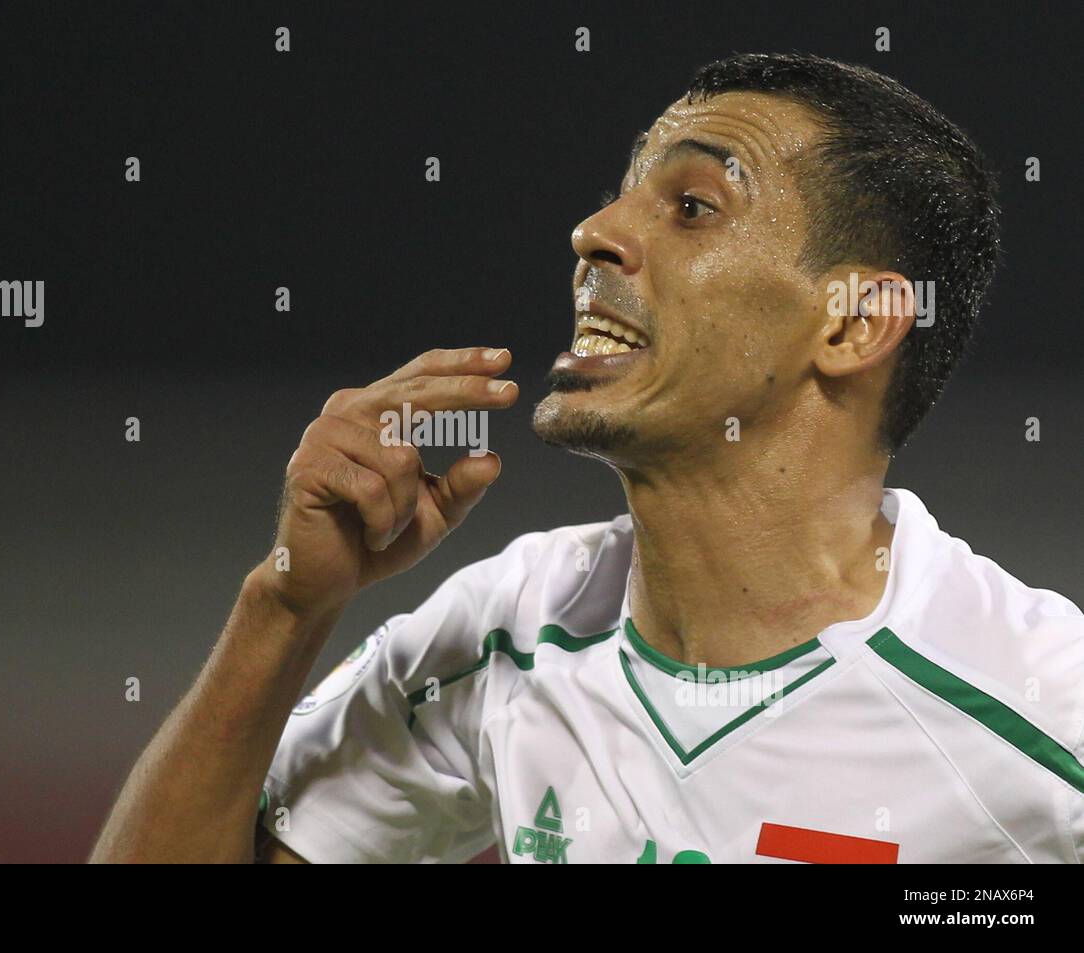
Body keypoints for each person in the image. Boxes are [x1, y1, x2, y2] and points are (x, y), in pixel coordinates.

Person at [91, 52, 1084, 864]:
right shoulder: (509, 629)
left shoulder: (1040, 704)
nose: (594, 233)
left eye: (691, 206)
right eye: (620, 197)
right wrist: (285, 605)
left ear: (854, 323)